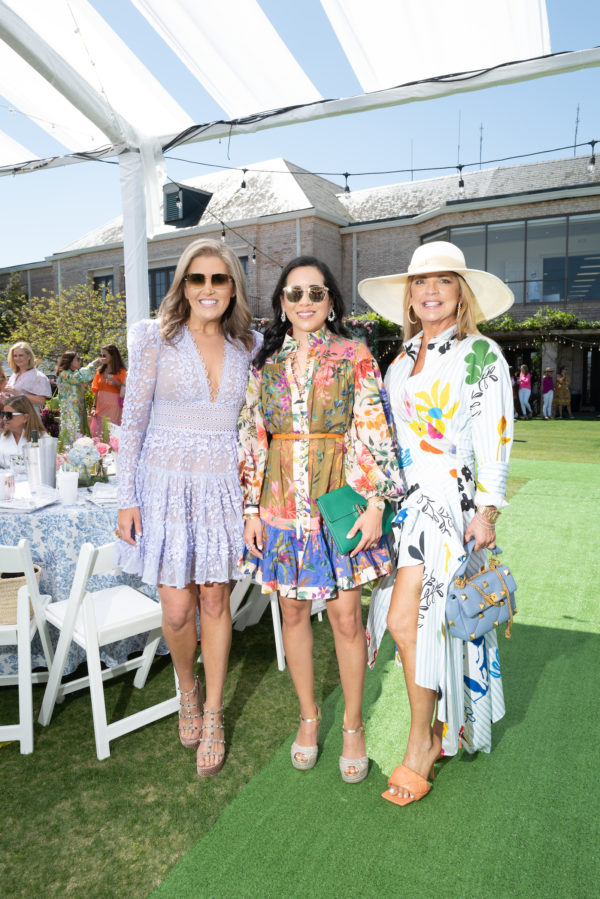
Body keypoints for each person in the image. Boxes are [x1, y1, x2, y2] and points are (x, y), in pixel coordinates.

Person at [358, 240, 514, 806]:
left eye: (444, 281)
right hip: (406, 506)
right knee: (419, 626)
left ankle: (421, 742)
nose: (430, 291)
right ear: (408, 296)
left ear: (460, 294)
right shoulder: (400, 359)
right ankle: (438, 727)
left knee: (412, 623)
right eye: (420, 282)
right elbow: (386, 438)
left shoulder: (481, 354)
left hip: (450, 503)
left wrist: (487, 512)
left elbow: (496, 435)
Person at [239, 255, 403, 784]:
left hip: (337, 502)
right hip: (281, 508)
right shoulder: (264, 364)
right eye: (295, 293)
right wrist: (250, 508)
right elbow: (251, 436)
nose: (305, 301)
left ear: (331, 300)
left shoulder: (354, 354)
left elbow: (374, 427)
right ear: (281, 304)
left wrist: (376, 502)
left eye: (316, 292)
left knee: (346, 618)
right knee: (291, 615)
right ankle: (308, 718)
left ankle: (352, 725)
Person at [116, 238, 260, 777]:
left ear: (233, 287)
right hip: (165, 485)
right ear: (182, 285)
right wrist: (126, 498)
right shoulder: (154, 337)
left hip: (221, 484)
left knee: (216, 602)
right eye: (196, 278)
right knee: (178, 610)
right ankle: (187, 689)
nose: (207, 288)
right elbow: (132, 423)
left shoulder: (249, 344)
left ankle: (215, 712)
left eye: (218, 278)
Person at [55, 351, 101, 442]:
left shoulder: (71, 374)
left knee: (78, 436)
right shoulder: (65, 374)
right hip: (71, 413)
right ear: (70, 361)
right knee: (73, 437)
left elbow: (83, 383)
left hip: (76, 411)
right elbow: (81, 377)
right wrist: (94, 363)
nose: (80, 361)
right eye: (78, 359)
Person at [90, 345, 127, 437]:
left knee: (111, 436)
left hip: (114, 411)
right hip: (100, 409)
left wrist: (117, 384)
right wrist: (94, 407)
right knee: (98, 436)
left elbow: (128, 392)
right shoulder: (100, 372)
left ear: (113, 356)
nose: (102, 358)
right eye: (101, 355)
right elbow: (97, 391)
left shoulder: (122, 372)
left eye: (104, 355)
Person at [1, 341, 52, 409]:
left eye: (21, 355)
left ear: (29, 356)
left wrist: (19, 394)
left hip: (29, 415)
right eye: (15, 356)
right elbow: (13, 397)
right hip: (13, 414)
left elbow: (41, 401)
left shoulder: (38, 376)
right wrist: (5, 398)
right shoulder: (14, 375)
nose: (17, 358)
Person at [0, 394, 45, 468]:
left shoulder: (42, 438)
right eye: (3, 414)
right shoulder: (2, 436)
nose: (4, 418)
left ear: (25, 417)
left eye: (9, 415)